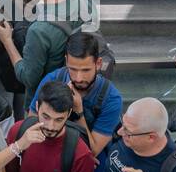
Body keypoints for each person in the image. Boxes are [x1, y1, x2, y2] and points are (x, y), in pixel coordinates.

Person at [28, 31, 123, 161]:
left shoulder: (111, 99)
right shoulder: (52, 80)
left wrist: (78, 112)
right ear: (66, 60)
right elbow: (32, 123)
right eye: (73, 69)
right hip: (54, 153)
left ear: (98, 64)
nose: (78, 78)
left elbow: (93, 150)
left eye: (86, 70)